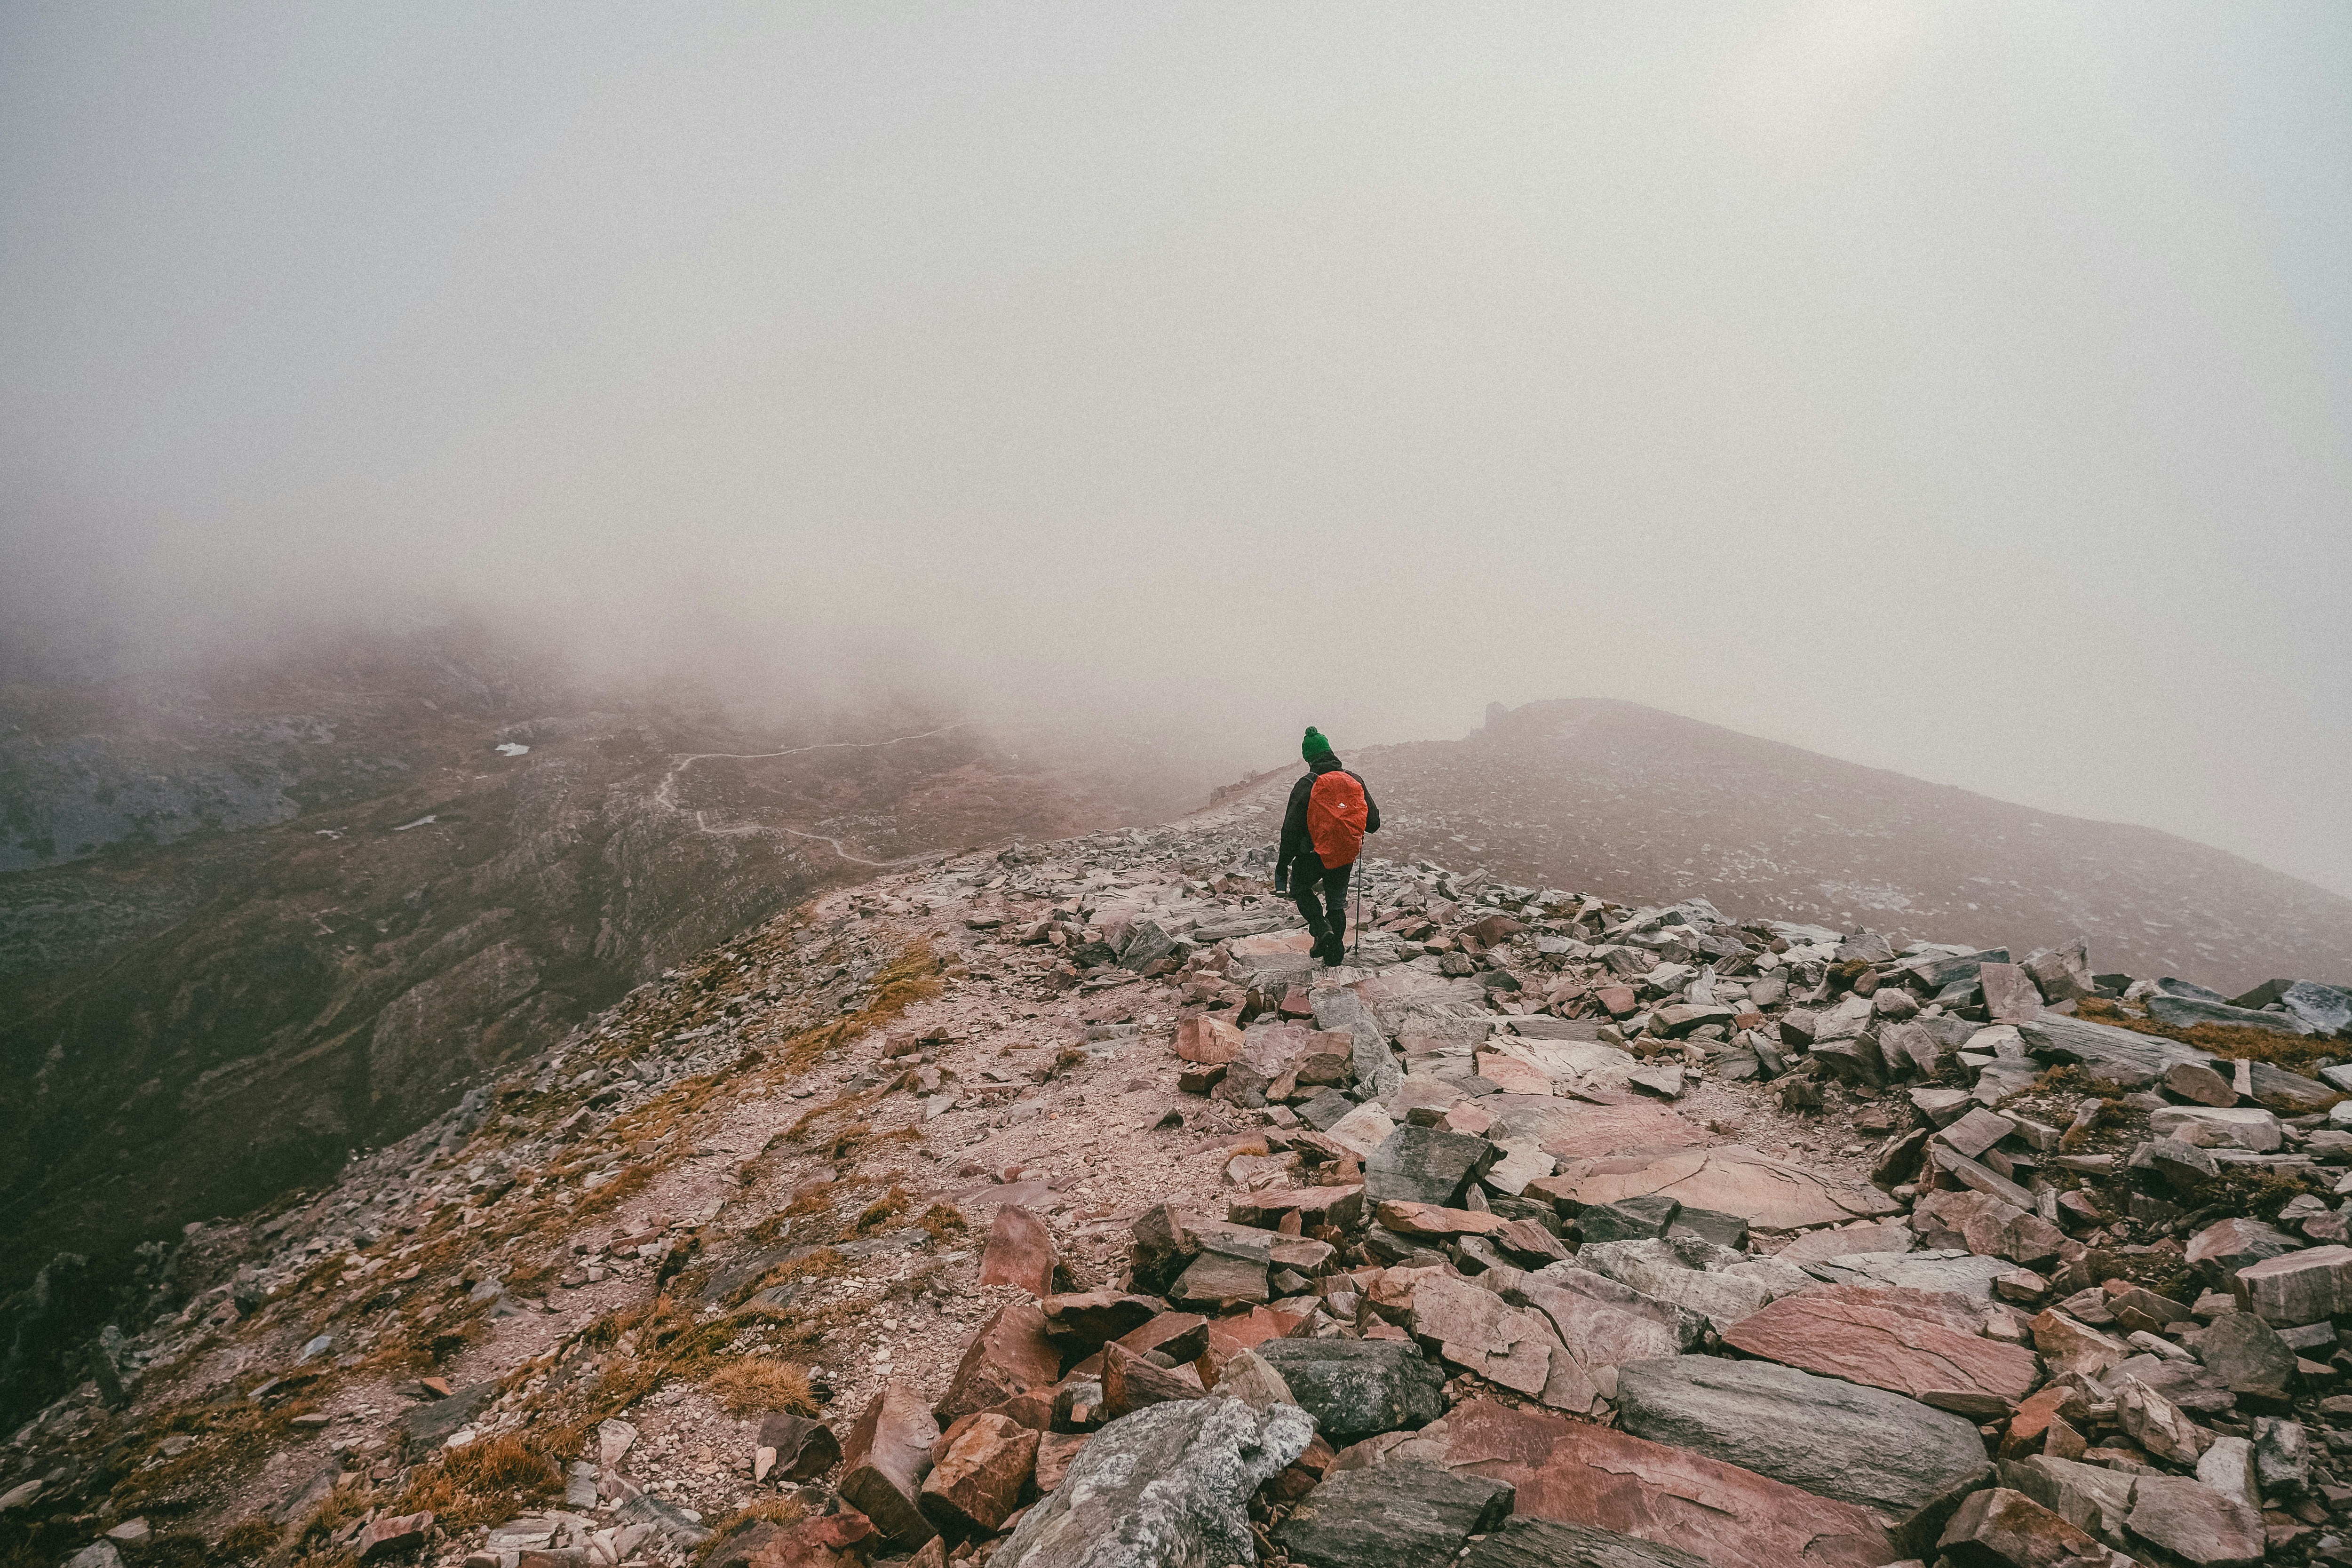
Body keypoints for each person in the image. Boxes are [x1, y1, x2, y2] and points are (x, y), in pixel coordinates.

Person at [1274, 726, 1380, 965]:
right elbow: (1374, 824)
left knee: (1300, 888)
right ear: (1330, 752)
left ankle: (1321, 930)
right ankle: (1334, 957)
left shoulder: (1307, 784)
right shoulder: (1355, 780)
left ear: (1308, 758)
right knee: (1336, 903)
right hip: (1344, 855)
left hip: (1312, 854)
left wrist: (1282, 866)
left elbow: (1289, 831)